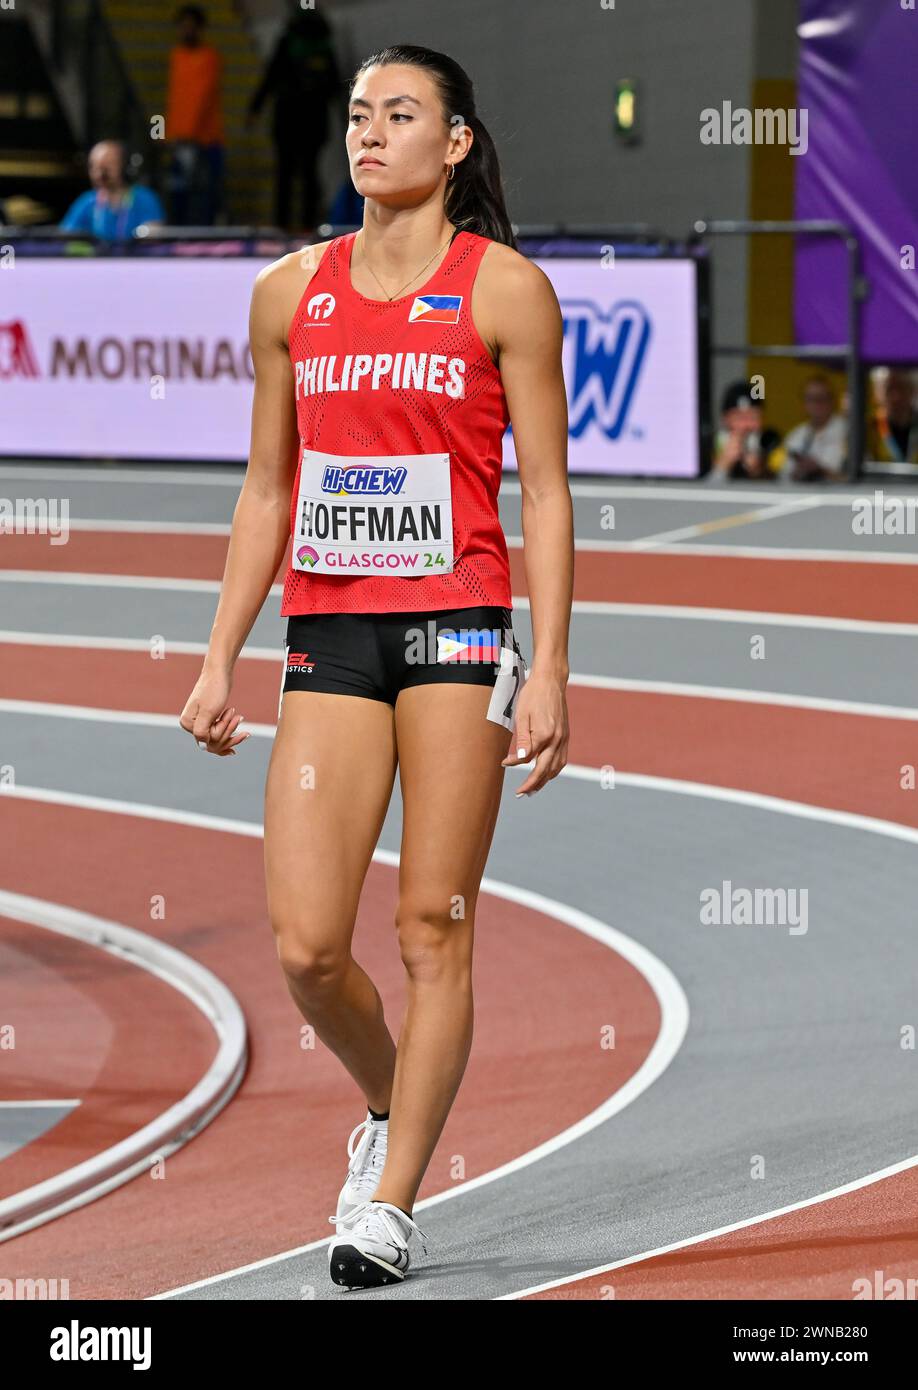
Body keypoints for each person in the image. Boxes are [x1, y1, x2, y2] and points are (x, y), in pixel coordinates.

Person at [179, 43, 573, 1290]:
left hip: (457, 628)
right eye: (357, 114)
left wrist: (551, 668)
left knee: (430, 927)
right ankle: (393, 1109)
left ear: (455, 143)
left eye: (400, 115)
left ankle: (391, 1208)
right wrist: (216, 656)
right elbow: (266, 489)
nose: (368, 133)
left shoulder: (504, 290)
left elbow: (552, 500)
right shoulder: (292, 292)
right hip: (331, 636)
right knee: (304, 946)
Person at [247, 4, 341, 231]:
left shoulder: (288, 42)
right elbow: (335, 87)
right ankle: (307, 225)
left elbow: (269, 78)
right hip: (313, 121)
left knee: (286, 174)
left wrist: (254, 109)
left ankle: (282, 224)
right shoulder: (324, 48)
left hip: (287, 120)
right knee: (308, 174)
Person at [165, 4, 225, 225]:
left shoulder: (209, 57)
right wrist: (171, 134)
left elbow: (203, 97)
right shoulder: (176, 55)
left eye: (191, 27)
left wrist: (190, 134)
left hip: (206, 141)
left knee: (205, 196)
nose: (186, 31)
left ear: (201, 29)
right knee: (179, 195)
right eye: (183, 27)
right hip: (180, 141)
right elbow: (175, 98)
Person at [59, 141, 164, 242]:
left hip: (133, 260)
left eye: (106, 168)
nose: (99, 174)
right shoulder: (87, 201)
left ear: (125, 167)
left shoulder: (145, 198)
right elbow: (66, 237)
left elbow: (152, 240)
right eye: (93, 167)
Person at [772, 374, 848, 482]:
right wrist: (797, 472)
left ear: (832, 401)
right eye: (811, 399)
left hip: (836, 496)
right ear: (804, 403)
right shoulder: (796, 435)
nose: (817, 404)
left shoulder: (847, 432)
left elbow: (853, 480)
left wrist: (819, 470)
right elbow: (783, 477)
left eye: (822, 398)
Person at [707, 379, 781, 481]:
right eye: (740, 418)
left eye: (753, 417)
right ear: (725, 420)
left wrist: (759, 471)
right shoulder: (707, 449)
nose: (747, 425)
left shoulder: (771, 449)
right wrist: (723, 465)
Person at [866, 368, 918, 465]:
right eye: (889, 388)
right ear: (878, 393)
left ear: (913, 391)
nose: (896, 397)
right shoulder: (869, 427)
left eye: (902, 388)